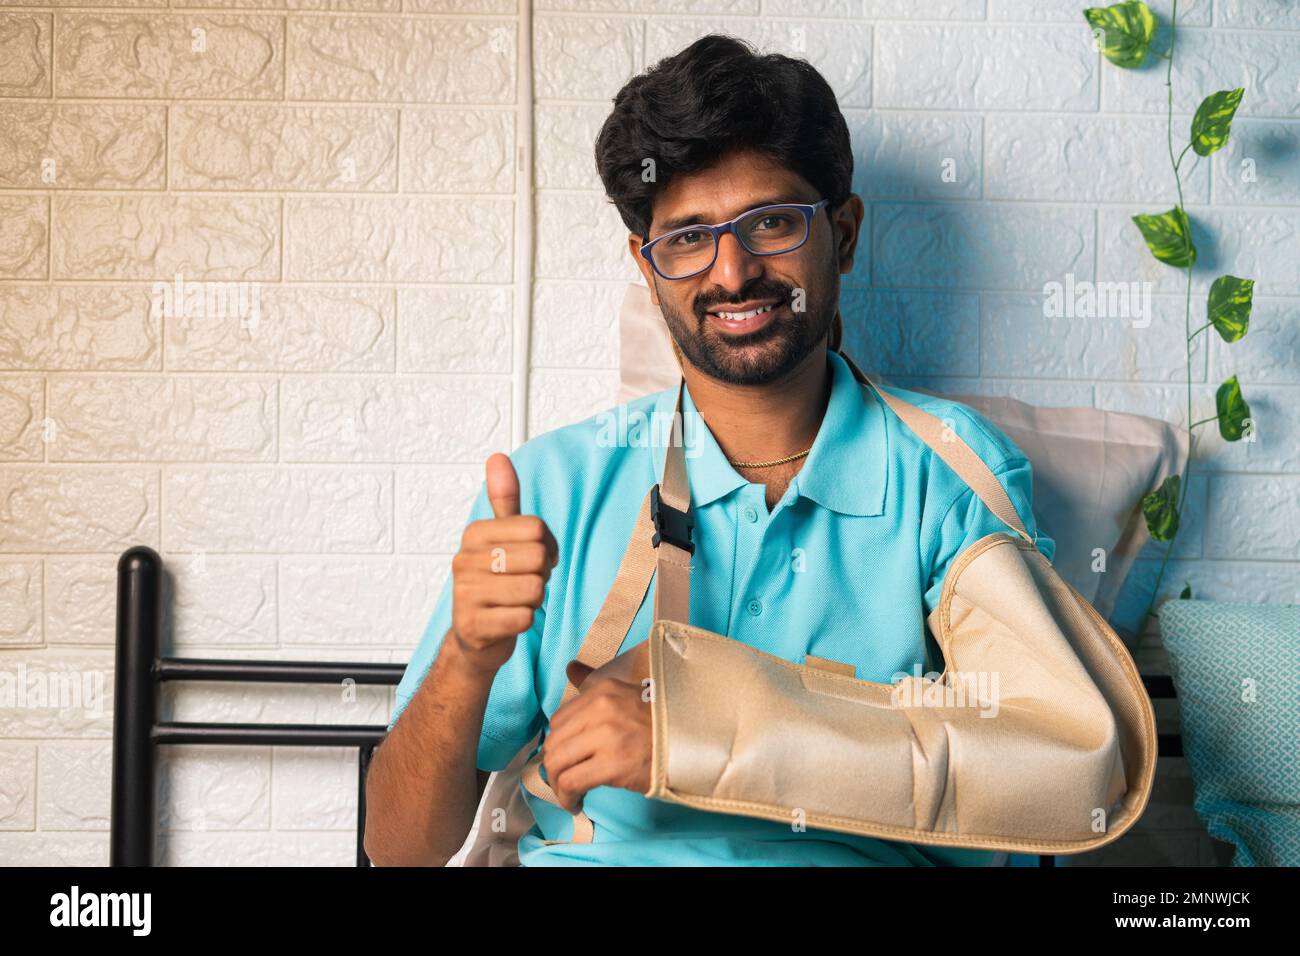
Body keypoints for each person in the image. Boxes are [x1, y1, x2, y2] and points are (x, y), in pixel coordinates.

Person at [364, 33, 1055, 867]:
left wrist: (714, 737)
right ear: (647, 266)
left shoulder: (951, 469)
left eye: (770, 222)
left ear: (843, 233)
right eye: (687, 238)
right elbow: (400, 853)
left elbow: (1045, 773)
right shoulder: (552, 487)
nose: (731, 273)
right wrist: (466, 660)